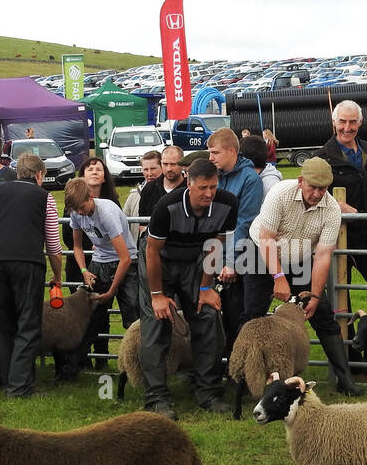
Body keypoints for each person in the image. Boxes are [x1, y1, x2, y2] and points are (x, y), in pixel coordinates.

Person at [252, 158, 363, 395]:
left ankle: (346, 381)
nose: (316, 193)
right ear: (301, 181)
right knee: (252, 314)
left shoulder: (332, 209)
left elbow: (323, 256)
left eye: (322, 188)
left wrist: (314, 295)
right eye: (312, 186)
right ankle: (247, 379)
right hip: (261, 253)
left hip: (299, 257)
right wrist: (278, 277)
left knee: (322, 313)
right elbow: (266, 238)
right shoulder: (279, 194)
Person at [140, 157, 238, 417]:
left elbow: (215, 246)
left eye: (213, 187)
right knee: (156, 322)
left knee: (207, 316)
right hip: (159, 261)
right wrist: (158, 295)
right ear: (189, 184)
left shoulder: (227, 204)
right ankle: (157, 398)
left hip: (194, 260)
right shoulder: (166, 206)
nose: (209, 193)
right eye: (203, 188)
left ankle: (207, 391)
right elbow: (151, 251)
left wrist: (206, 289)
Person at [0, 153, 62, 398]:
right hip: (27, 263)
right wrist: (57, 274)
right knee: (28, 323)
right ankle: (20, 387)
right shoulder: (45, 198)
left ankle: (9, 379)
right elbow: (53, 244)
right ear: (39, 175)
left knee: (2, 324)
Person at [317, 100, 367, 317]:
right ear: (334, 122)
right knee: (340, 298)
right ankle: (349, 349)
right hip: (337, 238)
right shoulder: (322, 157)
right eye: (342, 121)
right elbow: (309, 197)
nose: (347, 127)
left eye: (353, 122)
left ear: (360, 122)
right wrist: (335, 204)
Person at [66, 176, 136, 377]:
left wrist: (111, 291)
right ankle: (73, 369)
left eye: (82, 207)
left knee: (132, 319)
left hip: (125, 263)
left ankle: (135, 368)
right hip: (99, 262)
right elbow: (77, 246)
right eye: (76, 210)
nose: (80, 213)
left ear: (90, 197)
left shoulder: (107, 214)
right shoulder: (76, 214)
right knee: (89, 318)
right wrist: (84, 270)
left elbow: (125, 259)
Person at [208, 128, 266, 351]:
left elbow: (244, 223)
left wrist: (231, 262)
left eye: (215, 152)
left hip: (238, 258)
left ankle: (236, 369)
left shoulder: (250, 179)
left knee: (234, 316)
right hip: (214, 255)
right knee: (212, 316)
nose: (210, 157)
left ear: (232, 151)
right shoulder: (215, 176)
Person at [122, 150, 161, 245]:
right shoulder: (134, 195)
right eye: (146, 169)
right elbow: (123, 221)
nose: (149, 173)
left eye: (153, 169)